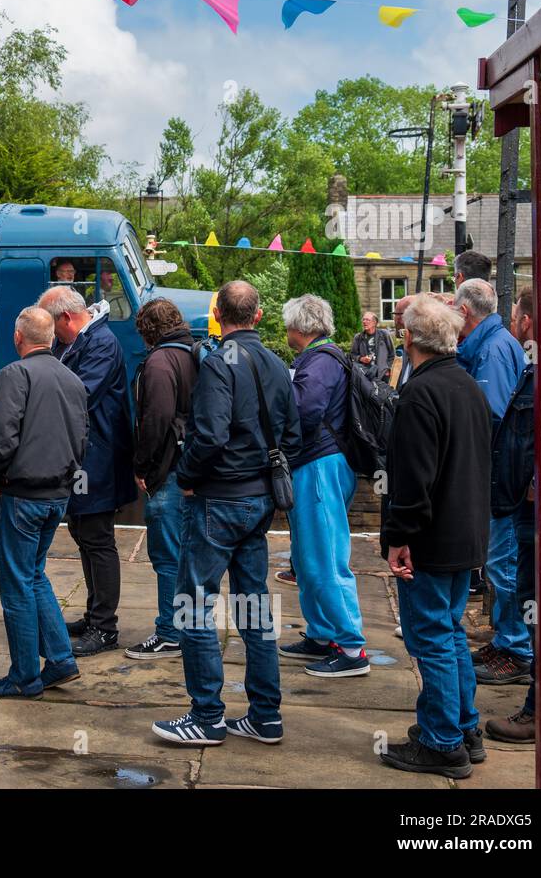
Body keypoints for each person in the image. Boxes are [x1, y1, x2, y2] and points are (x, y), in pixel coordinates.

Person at [154, 280, 300, 747]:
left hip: (219, 499)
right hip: (260, 500)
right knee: (253, 605)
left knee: (194, 604)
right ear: (258, 315)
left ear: (218, 314)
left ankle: (206, 715)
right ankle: (265, 715)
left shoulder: (219, 362)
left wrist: (187, 474)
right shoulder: (279, 363)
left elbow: (211, 434)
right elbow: (293, 434)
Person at [380, 294, 491, 779]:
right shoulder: (467, 385)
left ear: (409, 338)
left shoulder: (421, 394)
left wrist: (399, 536)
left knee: (432, 638)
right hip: (465, 533)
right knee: (450, 633)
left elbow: (413, 479)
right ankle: (464, 728)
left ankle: (443, 740)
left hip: (432, 536)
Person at [0, 307, 87, 697]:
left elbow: (1, 436)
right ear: (53, 338)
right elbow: (82, 439)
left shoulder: (15, 375)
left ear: (17, 337)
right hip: (56, 496)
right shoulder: (72, 380)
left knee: (16, 584)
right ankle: (60, 659)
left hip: (20, 496)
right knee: (35, 575)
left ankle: (23, 676)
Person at [36, 285, 137, 657]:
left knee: (97, 536)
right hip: (84, 456)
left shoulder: (101, 343)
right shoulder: (78, 341)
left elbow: (79, 394)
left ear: (66, 317)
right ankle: (95, 614)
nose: (49, 331)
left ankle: (105, 627)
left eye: (50, 322)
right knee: (84, 532)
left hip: (99, 457)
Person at [278, 294, 369, 677]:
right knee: (307, 557)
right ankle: (322, 633)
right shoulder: (324, 357)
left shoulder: (319, 361)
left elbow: (305, 409)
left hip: (319, 464)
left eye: (287, 325)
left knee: (326, 556)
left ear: (300, 328)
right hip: (321, 461)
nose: (285, 332)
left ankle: (351, 647)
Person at [456, 278, 531, 682]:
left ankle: (516, 651)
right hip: (496, 479)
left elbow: (493, 420)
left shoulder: (493, 351)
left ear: (465, 311)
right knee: (498, 563)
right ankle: (506, 641)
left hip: (500, 481)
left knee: (503, 565)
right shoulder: (489, 346)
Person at [125, 298, 197, 661]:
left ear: (148, 330)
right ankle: (187, 628)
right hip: (192, 468)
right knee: (186, 556)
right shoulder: (194, 352)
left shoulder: (158, 362)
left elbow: (155, 419)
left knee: (167, 556)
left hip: (168, 470)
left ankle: (170, 633)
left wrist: (142, 467)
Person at [486, 287, 538, 740]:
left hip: (529, 507)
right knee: (524, 589)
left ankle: (534, 698)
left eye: (519, 314)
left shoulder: (520, 363)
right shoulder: (534, 367)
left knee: (526, 590)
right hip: (520, 502)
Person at [351, 312, 394, 384]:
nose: (364, 322)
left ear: (374, 322)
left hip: (383, 374)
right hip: (366, 374)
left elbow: (392, 354)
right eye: (363, 320)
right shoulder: (358, 337)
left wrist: (388, 369)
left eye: (367, 320)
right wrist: (361, 359)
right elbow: (352, 355)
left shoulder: (384, 335)